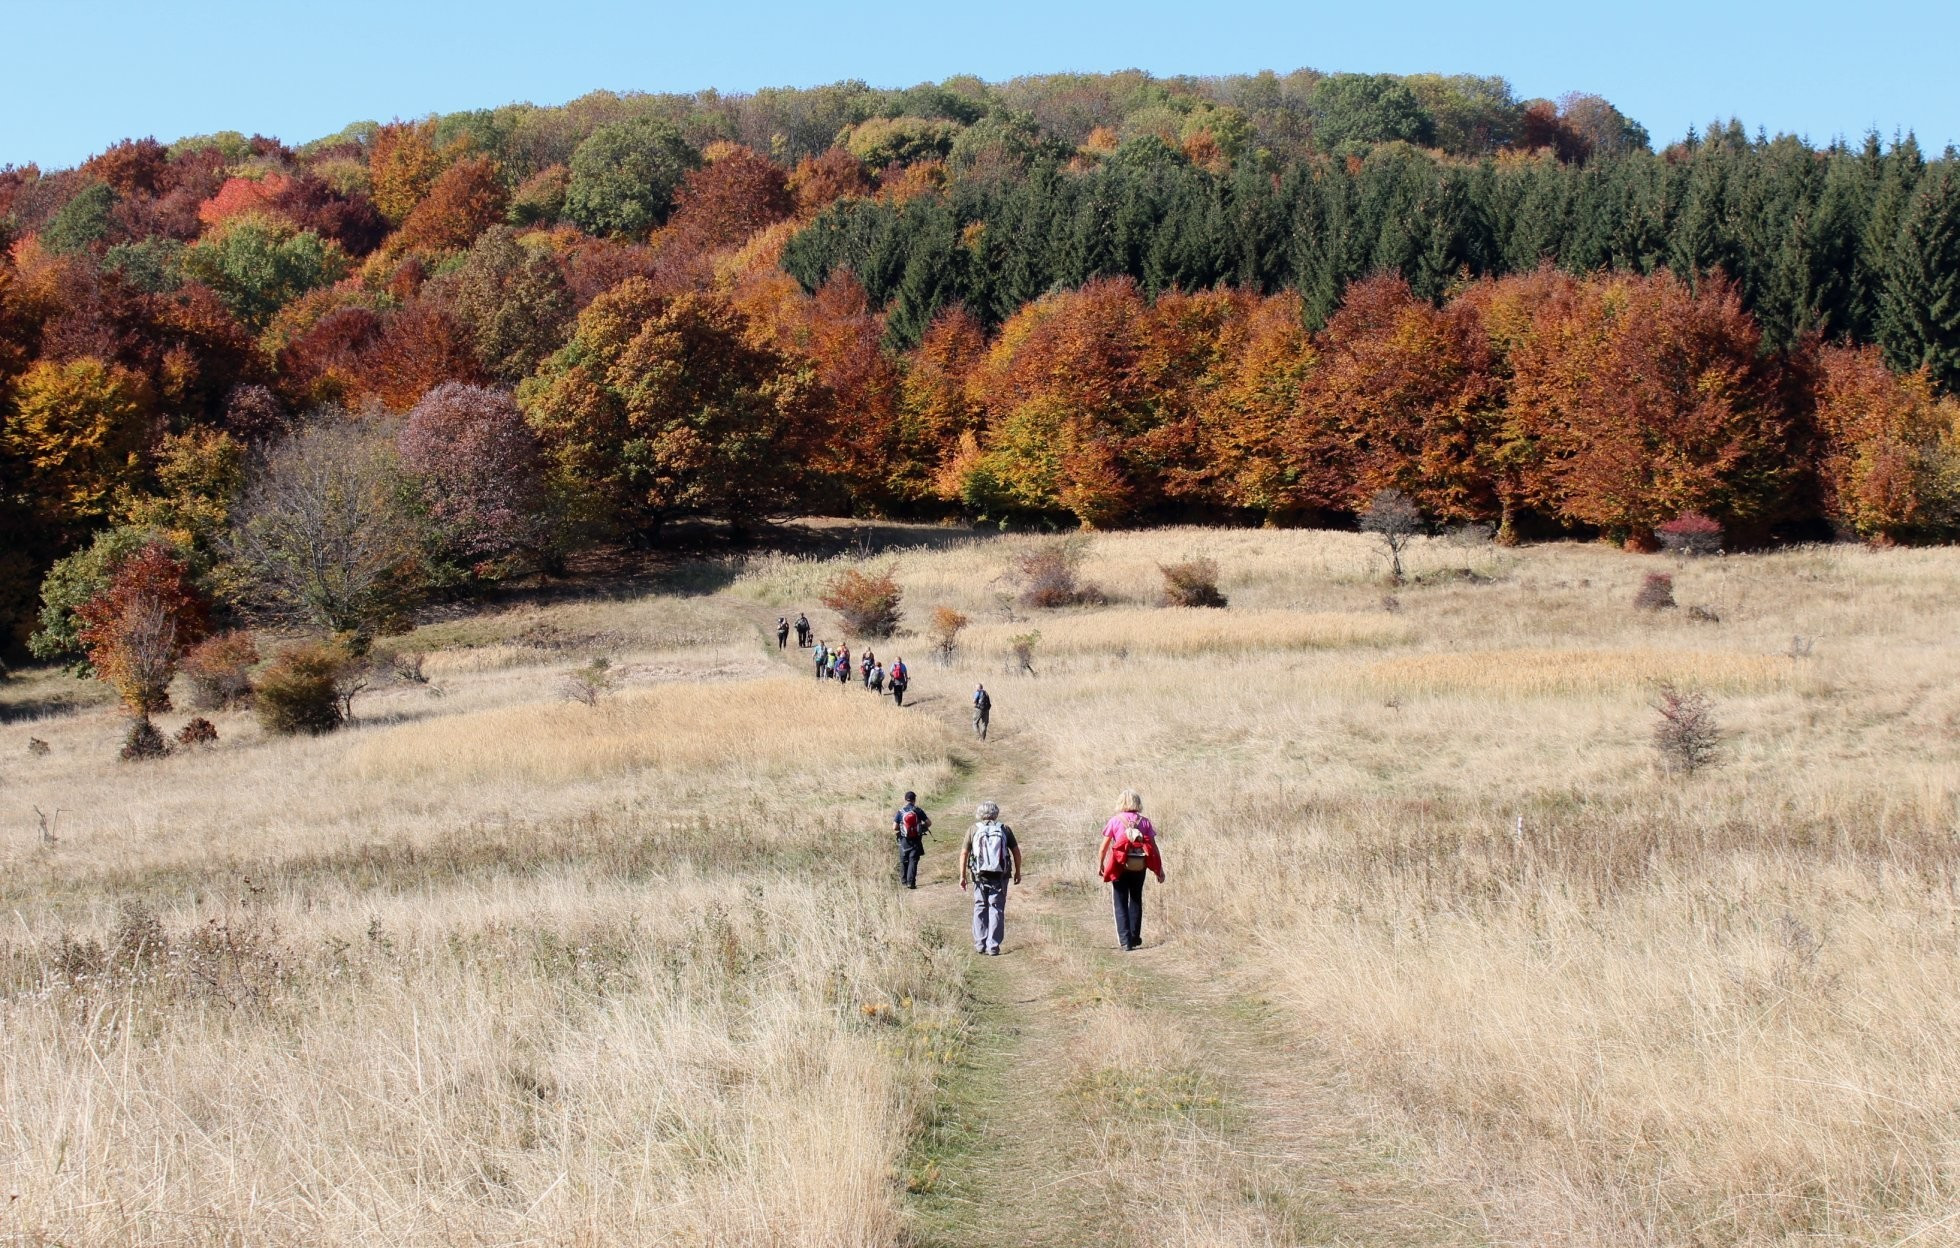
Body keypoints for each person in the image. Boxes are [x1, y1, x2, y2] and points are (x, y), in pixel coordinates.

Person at [1098, 790, 1166, 951]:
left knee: (1120, 901)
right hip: (1139, 865)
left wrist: (1100, 864)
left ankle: (1125, 941)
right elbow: (1153, 848)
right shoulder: (1145, 822)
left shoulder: (1115, 820)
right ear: (1137, 802)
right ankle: (1135, 937)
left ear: (1120, 802)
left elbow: (1104, 847)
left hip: (1119, 865)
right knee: (1136, 899)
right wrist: (1159, 869)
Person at [960, 802, 1021, 954]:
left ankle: (980, 944)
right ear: (996, 813)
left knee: (980, 906)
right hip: (1000, 875)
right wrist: (1018, 872)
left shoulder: (973, 829)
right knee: (996, 908)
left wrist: (962, 876)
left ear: (980, 814)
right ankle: (993, 946)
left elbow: (964, 854)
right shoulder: (1004, 829)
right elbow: (1016, 852)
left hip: (979, 875)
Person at [892, 790, 932, 888]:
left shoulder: (900, 812)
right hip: (916, 839)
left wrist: (902, 829)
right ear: (914, 799)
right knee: (913, 860)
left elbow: (894, 827)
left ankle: (904, 882)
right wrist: (920, 827)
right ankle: (911, 883)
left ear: (905, 799)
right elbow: (929, 823)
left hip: (904, 839)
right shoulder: (917, 810)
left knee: (904, 860)